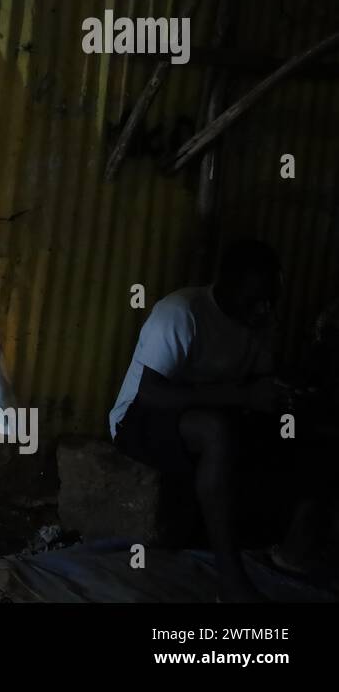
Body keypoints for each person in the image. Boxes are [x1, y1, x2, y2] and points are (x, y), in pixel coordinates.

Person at [108, 238, 309, 602]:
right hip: (139, 420)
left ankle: (292, 551)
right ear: (227, 286)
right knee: (215, 430)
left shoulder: (258, 320)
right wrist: (242, 397)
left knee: (297, 432)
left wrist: (278, 394)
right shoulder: (182, 313)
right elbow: (151, 394)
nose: (264, 310)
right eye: (255, 300)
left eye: (270, 300)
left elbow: (258, 379)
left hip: (208, 413)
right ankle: (231, 583)